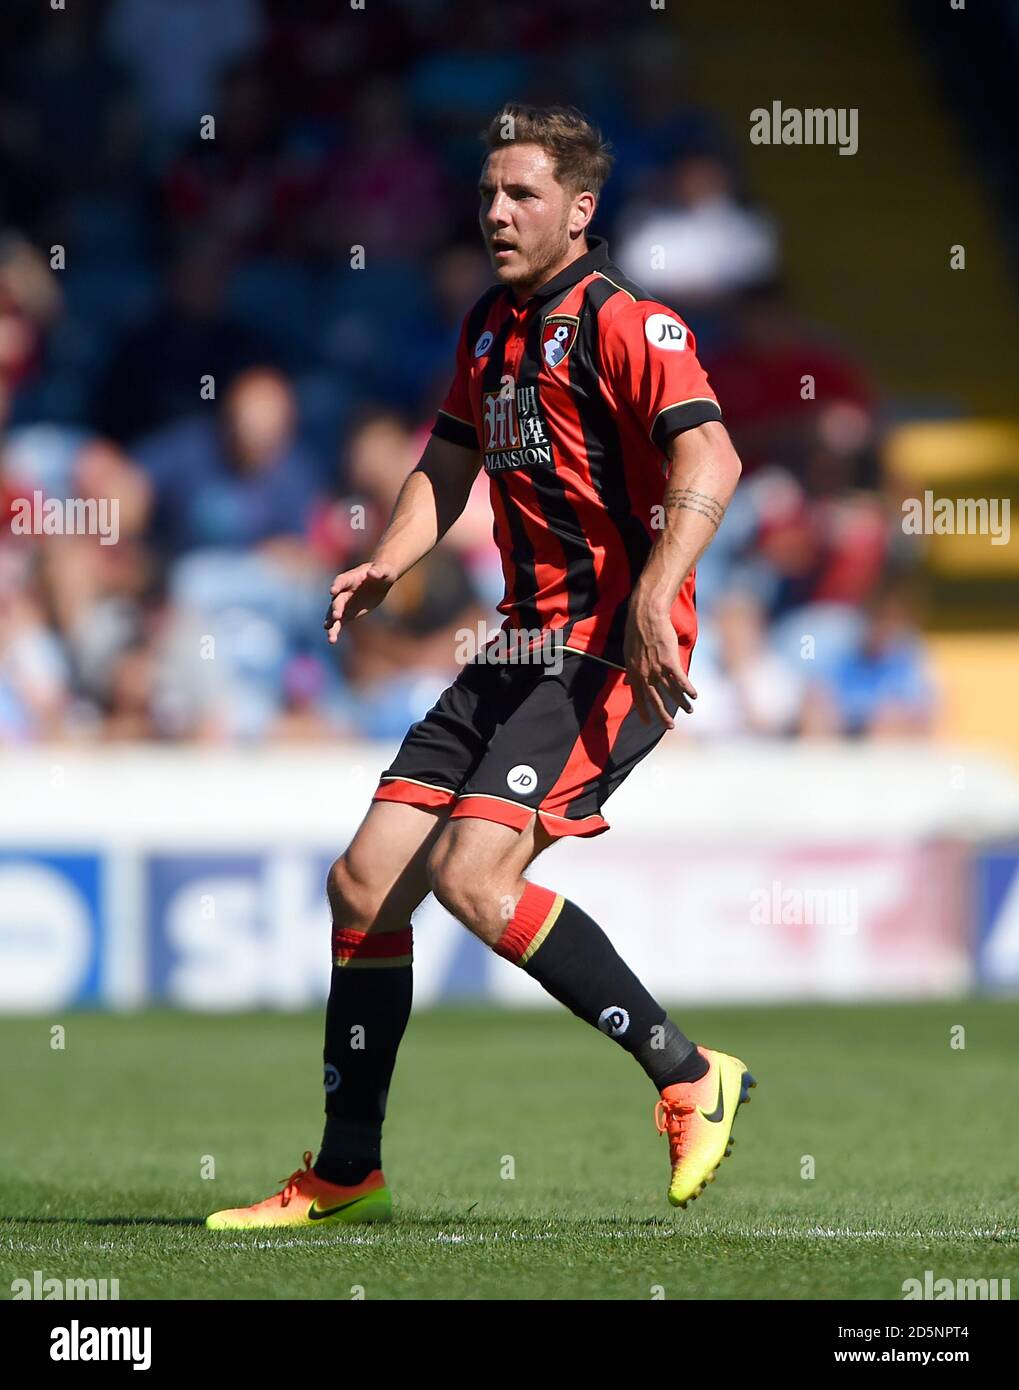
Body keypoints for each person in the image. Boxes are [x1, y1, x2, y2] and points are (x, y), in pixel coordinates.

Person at [206, 104, 753, 1231]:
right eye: (488, 194)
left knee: (471, 877)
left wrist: (656, 586)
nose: (496, 213)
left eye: (522, 196)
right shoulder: (488, 328)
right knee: (362, 883)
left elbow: (713, 451)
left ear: (579, 211)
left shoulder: (626, 324)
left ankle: (690, 1073)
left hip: (608, 643)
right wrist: (389, 563)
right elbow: (442, 467)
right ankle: (347, 1166)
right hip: (517, 640)